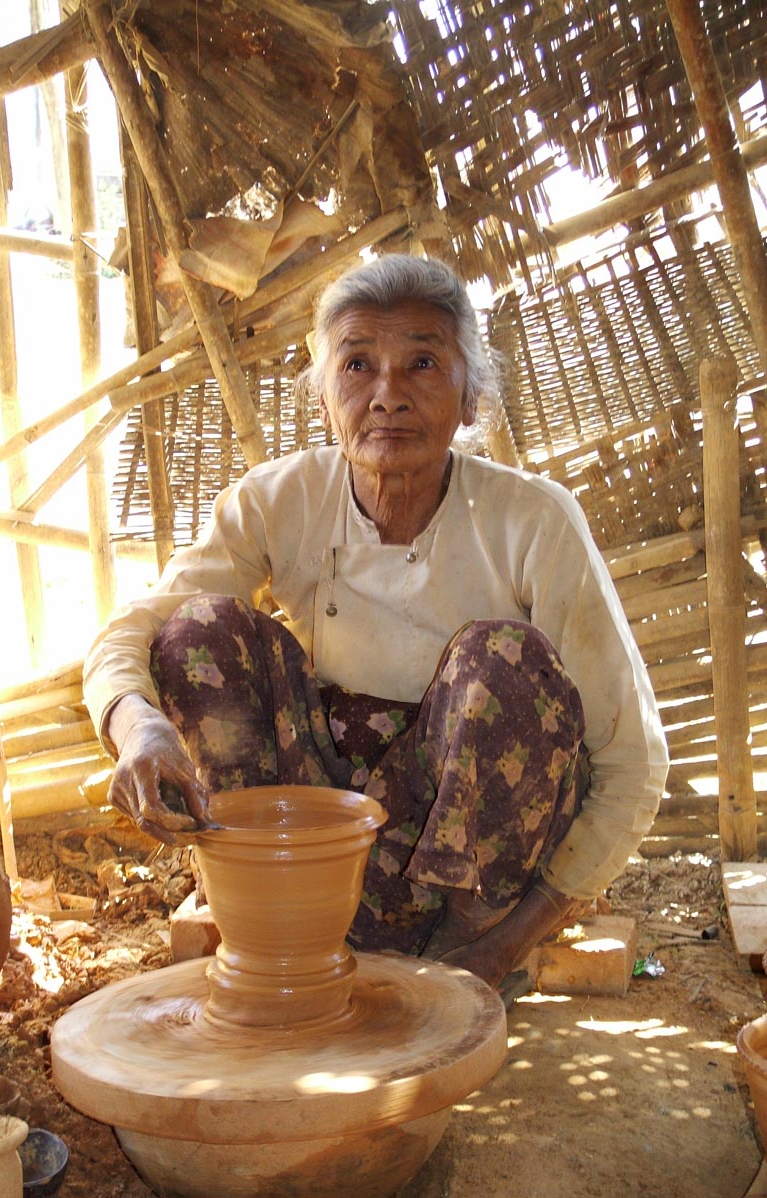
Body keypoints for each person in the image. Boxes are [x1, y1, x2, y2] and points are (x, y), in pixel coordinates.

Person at [83, 253, 669, 989]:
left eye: (422, 362)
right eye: (358, 365)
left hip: (477, 891)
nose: (387, 395)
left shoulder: (533, 521)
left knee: (504, 664)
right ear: (325, 398)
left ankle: (458, 951)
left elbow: (634, 763)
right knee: (196, 633)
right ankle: (275, 919)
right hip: (322, 842)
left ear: (470, 399)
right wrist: (138, 724)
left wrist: (507, 947)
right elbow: (130, 634)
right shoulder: (277, 501)